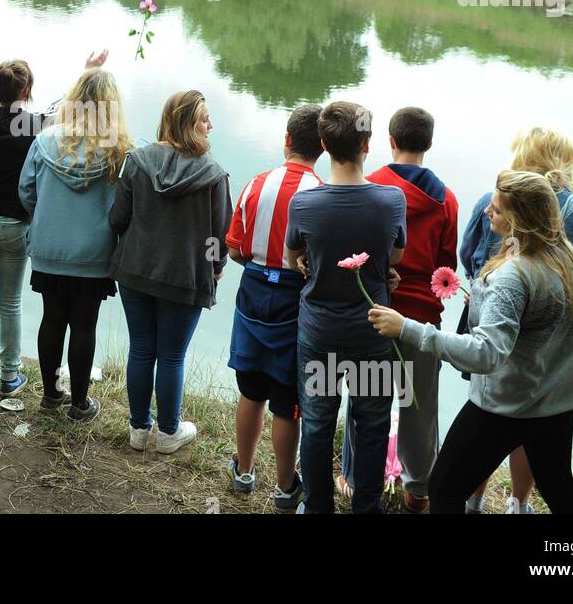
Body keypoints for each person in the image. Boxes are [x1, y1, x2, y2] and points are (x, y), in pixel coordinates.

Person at [370, 170, 573, 514]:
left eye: (497, 210)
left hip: (505, 406)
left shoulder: (513, 275)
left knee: (444, 489)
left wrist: (408, 328)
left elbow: (485, 354)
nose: (488, 213)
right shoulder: (565, 258)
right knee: (559, 489)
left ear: (520, 220)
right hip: (555, 406)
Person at [459, 127, 573, 513]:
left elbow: (469, 258)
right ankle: (518, 503)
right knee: (537, 424)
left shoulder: (490, 201)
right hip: (555, 347)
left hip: (488, 331)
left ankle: (473, 500)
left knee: (483, 420)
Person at [0, 52, 108, 404]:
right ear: (27, 90)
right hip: (16, 225)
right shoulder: (36, 126)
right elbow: (71, 107)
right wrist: (88, 71)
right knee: (11, 304)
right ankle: (11, 376)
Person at [285, 101, 405, 514]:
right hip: (373, 333)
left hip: (320, 335)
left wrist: (308, 263)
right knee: (371, 425)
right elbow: (396, 257)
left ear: (323, 144)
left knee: (317, 424)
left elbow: (293, 257)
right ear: (367, 145)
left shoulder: (303, 204)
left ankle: (318, 506)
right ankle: (366, 508)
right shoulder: (392, 201)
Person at [339, 107, 458, 513]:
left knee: (366, 399)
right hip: (423, 322)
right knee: (419, 409)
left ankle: (356, 479)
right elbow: (447, 268)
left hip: (375, 312)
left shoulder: (371, 186)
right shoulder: (447, 200)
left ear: (390, 141)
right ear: (429, 143)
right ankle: (418, 492)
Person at [111, 90, 232, 454]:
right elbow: (219, 235)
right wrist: (217, 266)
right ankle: (167, 433)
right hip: (184, 279)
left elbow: (118, 219)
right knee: (172, 356)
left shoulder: (136, 161)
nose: (211, 126)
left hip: (135, 272)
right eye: (204, 119)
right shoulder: (214, 174)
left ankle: (138, 429)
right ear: (186, 123)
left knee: (142, 349)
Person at [225, 103, 323, 512]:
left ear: (286, 141)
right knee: (287, 399)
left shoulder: (256, 183)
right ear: (323, 148)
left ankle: (243, 471)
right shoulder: (322, 194)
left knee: (251, 387)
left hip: (252, 289)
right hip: (295, 298)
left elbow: (233, 249)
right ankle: (286, 487)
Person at [19, 66, 131, 421]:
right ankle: (79, 404)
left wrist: (46, 218)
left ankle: (50, 394)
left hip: (49, 249)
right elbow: (123, 208)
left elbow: (26, 192)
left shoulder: (45, 141)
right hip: (94, 254)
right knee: (85, 325)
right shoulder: (119, 150)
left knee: (51, 319)